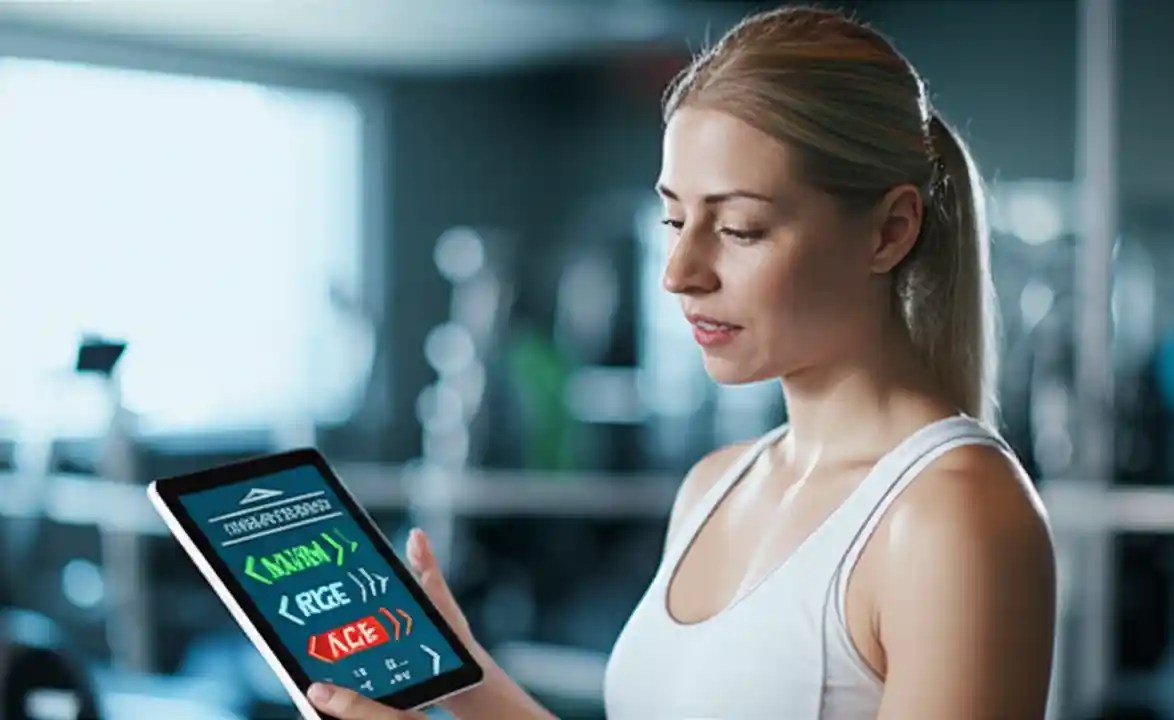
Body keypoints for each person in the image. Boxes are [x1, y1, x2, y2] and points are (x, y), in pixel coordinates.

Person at [307, 6, 1056, 719]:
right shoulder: (713, 486)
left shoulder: (953, 514)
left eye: (740, 228)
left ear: (889, 232)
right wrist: (468, 677)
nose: (679, 272)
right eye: (675, 218)